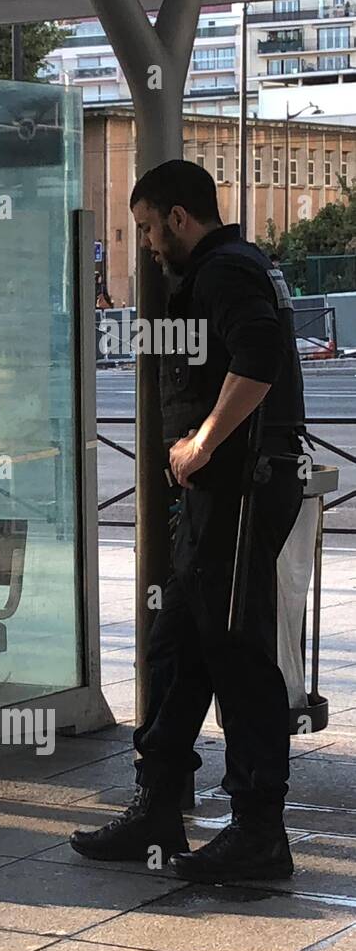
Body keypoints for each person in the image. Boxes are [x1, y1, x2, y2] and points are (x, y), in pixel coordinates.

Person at [71, 160, 306, 883]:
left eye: (146, 228)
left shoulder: (225, 271)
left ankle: (260, 831)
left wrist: (203, 441)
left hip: (239, 490)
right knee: (178, 644)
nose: (145, 244)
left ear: (178, 217)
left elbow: (259, 355)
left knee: (237, 655)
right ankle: (159, 802)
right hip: (217, 498)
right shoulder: (226, 268)